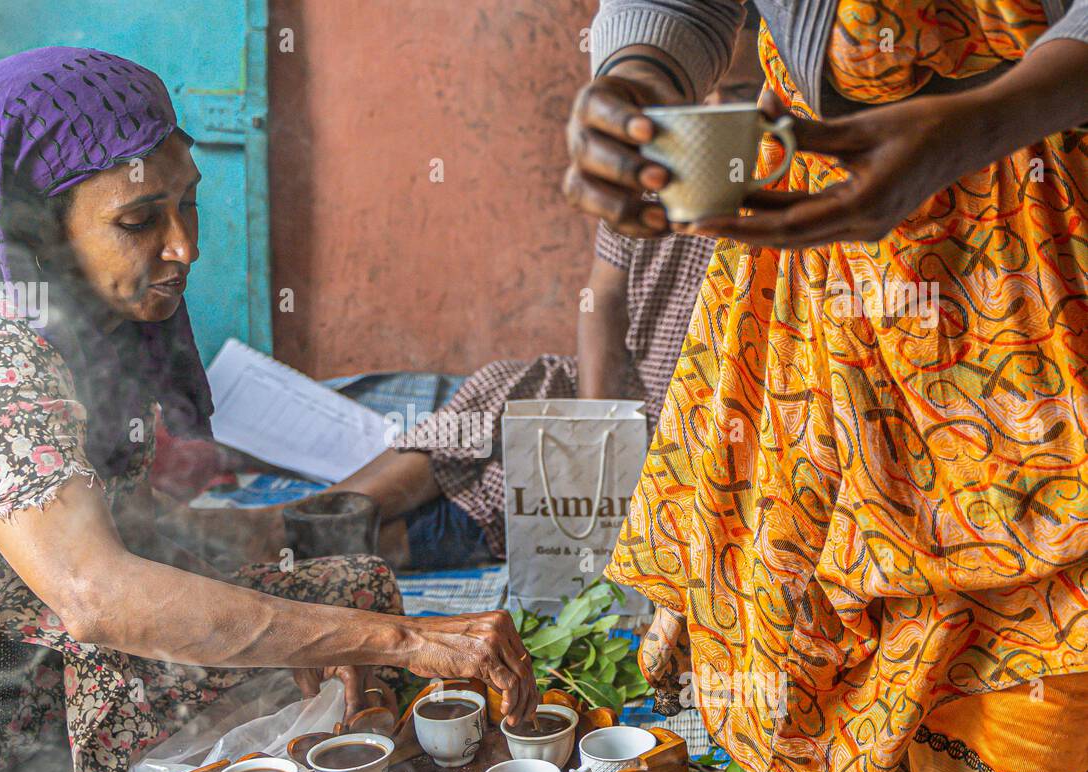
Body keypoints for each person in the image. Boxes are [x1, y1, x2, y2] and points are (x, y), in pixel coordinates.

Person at [0, 47, 537, 772]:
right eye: (140, 220)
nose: (186, 247)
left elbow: (126, 529)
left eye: (188, 205)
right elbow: (95, 595)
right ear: (36, 228)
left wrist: (293, 552)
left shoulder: (84, 322)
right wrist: (400, 644)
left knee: (349, 590)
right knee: (348, 637)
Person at [565, 0, 1088, 772]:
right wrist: (638, 75)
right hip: (828, 243)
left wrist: (987, 120)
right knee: (839, 558)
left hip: (1044, 229)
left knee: (1047, 608)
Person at [205, 16, 765, 574]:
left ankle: (355, 543)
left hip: (704, 417)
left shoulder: (780, 199)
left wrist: (600, 454)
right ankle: (308, 518)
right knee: (512, 388)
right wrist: (596, 427)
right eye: (694, 98)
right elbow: (603, 302)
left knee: (538, 470)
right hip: (630, 390)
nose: (709, 113)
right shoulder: (643, 177)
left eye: (736, 96)